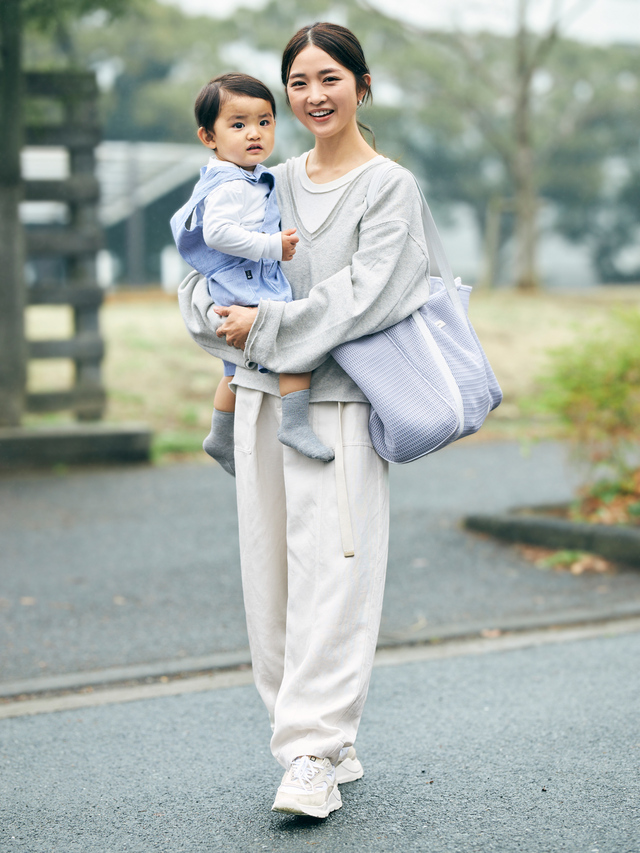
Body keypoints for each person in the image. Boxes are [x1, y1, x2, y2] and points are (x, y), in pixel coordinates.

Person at [178, 22, 432, 818]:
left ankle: (312, 749)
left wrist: (264, 327)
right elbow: (199, 279)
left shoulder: (389, 188)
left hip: (340, 408)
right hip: (261, 401)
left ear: (362, 85)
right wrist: (222, 322)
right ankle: (318, 738)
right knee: (272, 583)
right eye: (298, 82)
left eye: (330, 78)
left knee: (336, 576)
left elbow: (364, 298)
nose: (314, 95)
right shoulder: (261, 178)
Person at [171, 73, 334, 476]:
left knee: (234, 370)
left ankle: (219, 436)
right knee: (295, 345)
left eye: (264, 121)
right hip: (249, 283)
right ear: (209, 137)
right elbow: (217, 233)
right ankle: (294, 425)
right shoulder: (231, 185)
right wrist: (272, 245)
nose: (254, 133)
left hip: (237, 282)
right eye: (238, 124)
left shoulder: (240, 176)